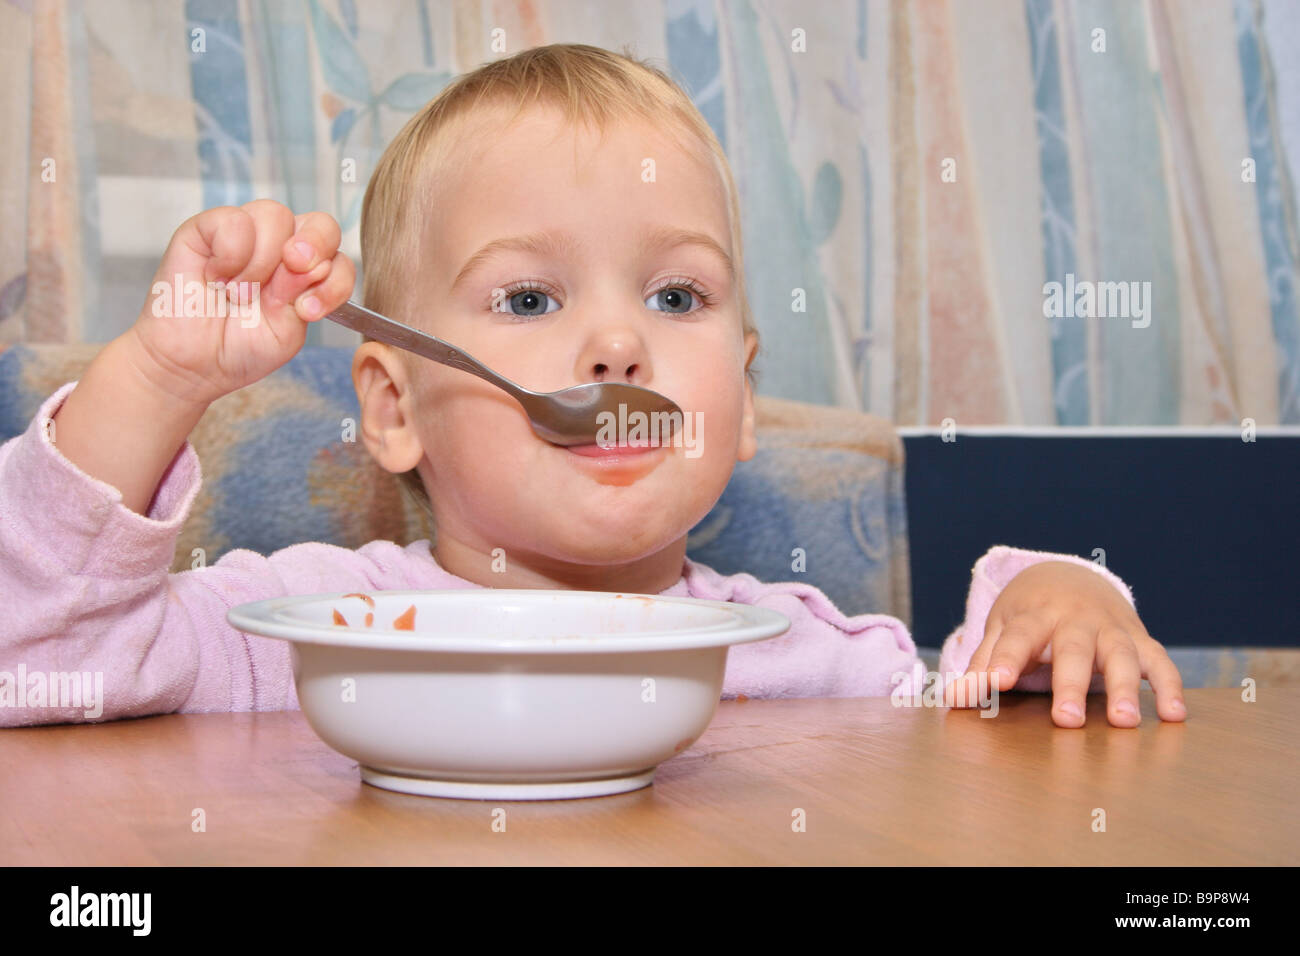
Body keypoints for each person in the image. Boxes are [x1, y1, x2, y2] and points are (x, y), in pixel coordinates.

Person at [0, 43, 1185, 730]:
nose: (620, 345)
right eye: (528, 299)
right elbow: (36, 651)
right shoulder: (301, 635)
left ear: (747, 400)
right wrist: (160, 374)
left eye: (676, 298)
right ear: (394, 406)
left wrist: (1061, 592)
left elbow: (980, 705)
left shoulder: (796, 659)